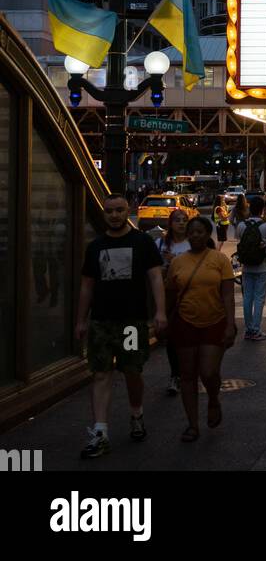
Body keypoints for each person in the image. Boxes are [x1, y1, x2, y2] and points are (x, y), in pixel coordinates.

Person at [76, 193, 166, 459]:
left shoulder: (142, 242)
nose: (113, 215)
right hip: (102, 320)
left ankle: (136, 413)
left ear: (128, 211)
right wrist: (81, 319)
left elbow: (155, 279)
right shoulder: (95, 247)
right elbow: (87, 285)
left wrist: (160, 312)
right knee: (101, 372)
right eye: (109, 211)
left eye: (118, 210)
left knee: (131, 370)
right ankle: (101, 432)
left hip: (131, 321)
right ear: (104, 214)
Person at [164, 215, 236, 441]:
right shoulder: (178, 262)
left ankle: (213, 398)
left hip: (215, 322)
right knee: (187, 376)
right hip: (184, 323)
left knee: (208, 372)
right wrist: (162, 320)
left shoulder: (220, 260)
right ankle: (192, 424)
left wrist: (231, 324)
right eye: (192, 232)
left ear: (208, 235)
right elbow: (170, 294)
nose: (195, 235)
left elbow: (228, 295)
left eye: (200, 232)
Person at [154, 207, 191, 395]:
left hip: (191, 296)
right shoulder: (160, 244)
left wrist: (175, 259)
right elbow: (153, 271)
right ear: (170, 223)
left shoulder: (194, 244)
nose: (181, 223)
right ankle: (175, 374)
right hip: (169, 296)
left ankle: (188, 372)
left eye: (184, 219)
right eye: (177, 219)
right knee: (172, 338)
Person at [235, 195, 266, 340]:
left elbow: (238, 239)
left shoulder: (242, 225)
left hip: (246, 267)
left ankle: (248, 330)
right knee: (259, 299)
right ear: (262, 210)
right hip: (262, 267)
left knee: (247, 297)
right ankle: (256, 329)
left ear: (249, 208)